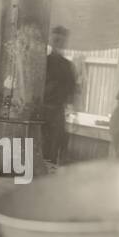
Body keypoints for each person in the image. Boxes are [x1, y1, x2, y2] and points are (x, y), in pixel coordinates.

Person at [43, 25, 80, 165]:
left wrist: (74, 113)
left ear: (65, 43)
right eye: (56, 39)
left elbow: (72, 91)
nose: (58, 43)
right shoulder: (42, 62)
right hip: (40, 113)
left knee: (53, 151)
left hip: (57, 114)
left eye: (62, 40)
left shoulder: (68, 66)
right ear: (51, 41)